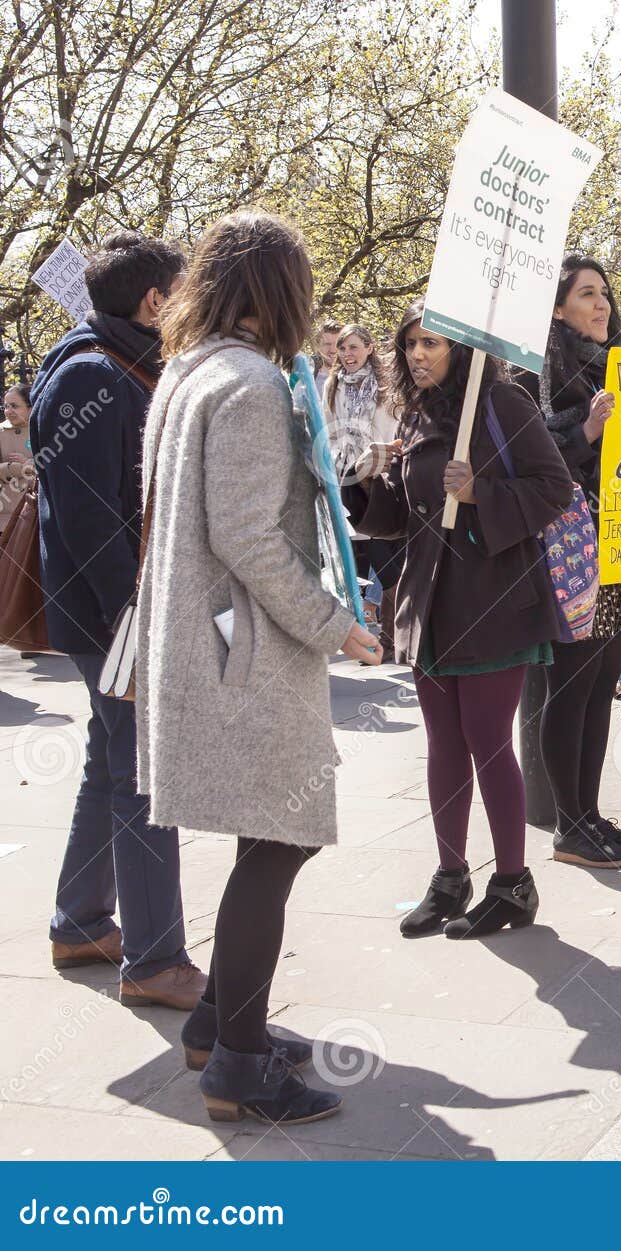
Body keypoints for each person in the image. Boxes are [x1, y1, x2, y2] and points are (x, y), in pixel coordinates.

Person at [139, 210, 382, 1124]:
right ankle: (238, 1062)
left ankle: (219, 1020)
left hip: (209, 643)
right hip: (244, 652)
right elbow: (244, 534)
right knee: (280, 839)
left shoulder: (188, 372)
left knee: (266, 836)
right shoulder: (247, 385)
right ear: (283, 290)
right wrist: (333, 625)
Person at [347, 299, 572, 938]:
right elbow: (399, 517)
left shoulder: (503, 406)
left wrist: (481, 493)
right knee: (444, 745)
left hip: (496, 603)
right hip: (430, 606)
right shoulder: (415, 417)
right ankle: (450, 877)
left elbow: (554, 489)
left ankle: (512, 884)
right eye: (411, 344)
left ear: (463, 351)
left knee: (488, 742)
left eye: (432, 344)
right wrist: (370, 483)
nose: (418, 354)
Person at [28, 230, 204, 1011]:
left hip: (115, 614)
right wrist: (132, 632)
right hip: (115, 618)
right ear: (155, 301)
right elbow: (94, 522)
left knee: (111, 761)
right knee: (142, 774)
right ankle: (155, 957)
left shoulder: (114, 362)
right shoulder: (93, 376)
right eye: (188, 290)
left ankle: (80, 920)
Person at [538, 254, 621, 868]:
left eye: (604, 293)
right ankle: (567, 825)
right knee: (572, 684)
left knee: (602, 682)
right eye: (586, 294)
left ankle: (591, 814)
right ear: (558, 309)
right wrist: (588, 431)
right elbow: (538, 456)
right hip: (576, 550)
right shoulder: (541, 373)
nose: (602, 303)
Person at [324, 323, 400, 654]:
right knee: (368, 557)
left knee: (391, 555)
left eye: (353, 347)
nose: (347, 354)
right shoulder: (333, 385)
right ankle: (383, 636)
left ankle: (395, 633)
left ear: (369, 348)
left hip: (384, 476)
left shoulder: (385, 386)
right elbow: (327, 430)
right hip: (350, 480)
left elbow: (397, 424)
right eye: (342, 348)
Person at [1, 382, 32, 529]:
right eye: (6, 406)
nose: (8, 411)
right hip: (5, 514)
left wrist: (29, 464)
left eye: (14, 406)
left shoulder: (43, 431)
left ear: (30, 407)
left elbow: (55, 466)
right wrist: (12, 468)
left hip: (34, 513)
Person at [312, 320, 340, 392]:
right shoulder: (308, 372)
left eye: (337, 344)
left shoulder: (353, 374)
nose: (333, 350)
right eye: (327, 344)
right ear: (317, 346)